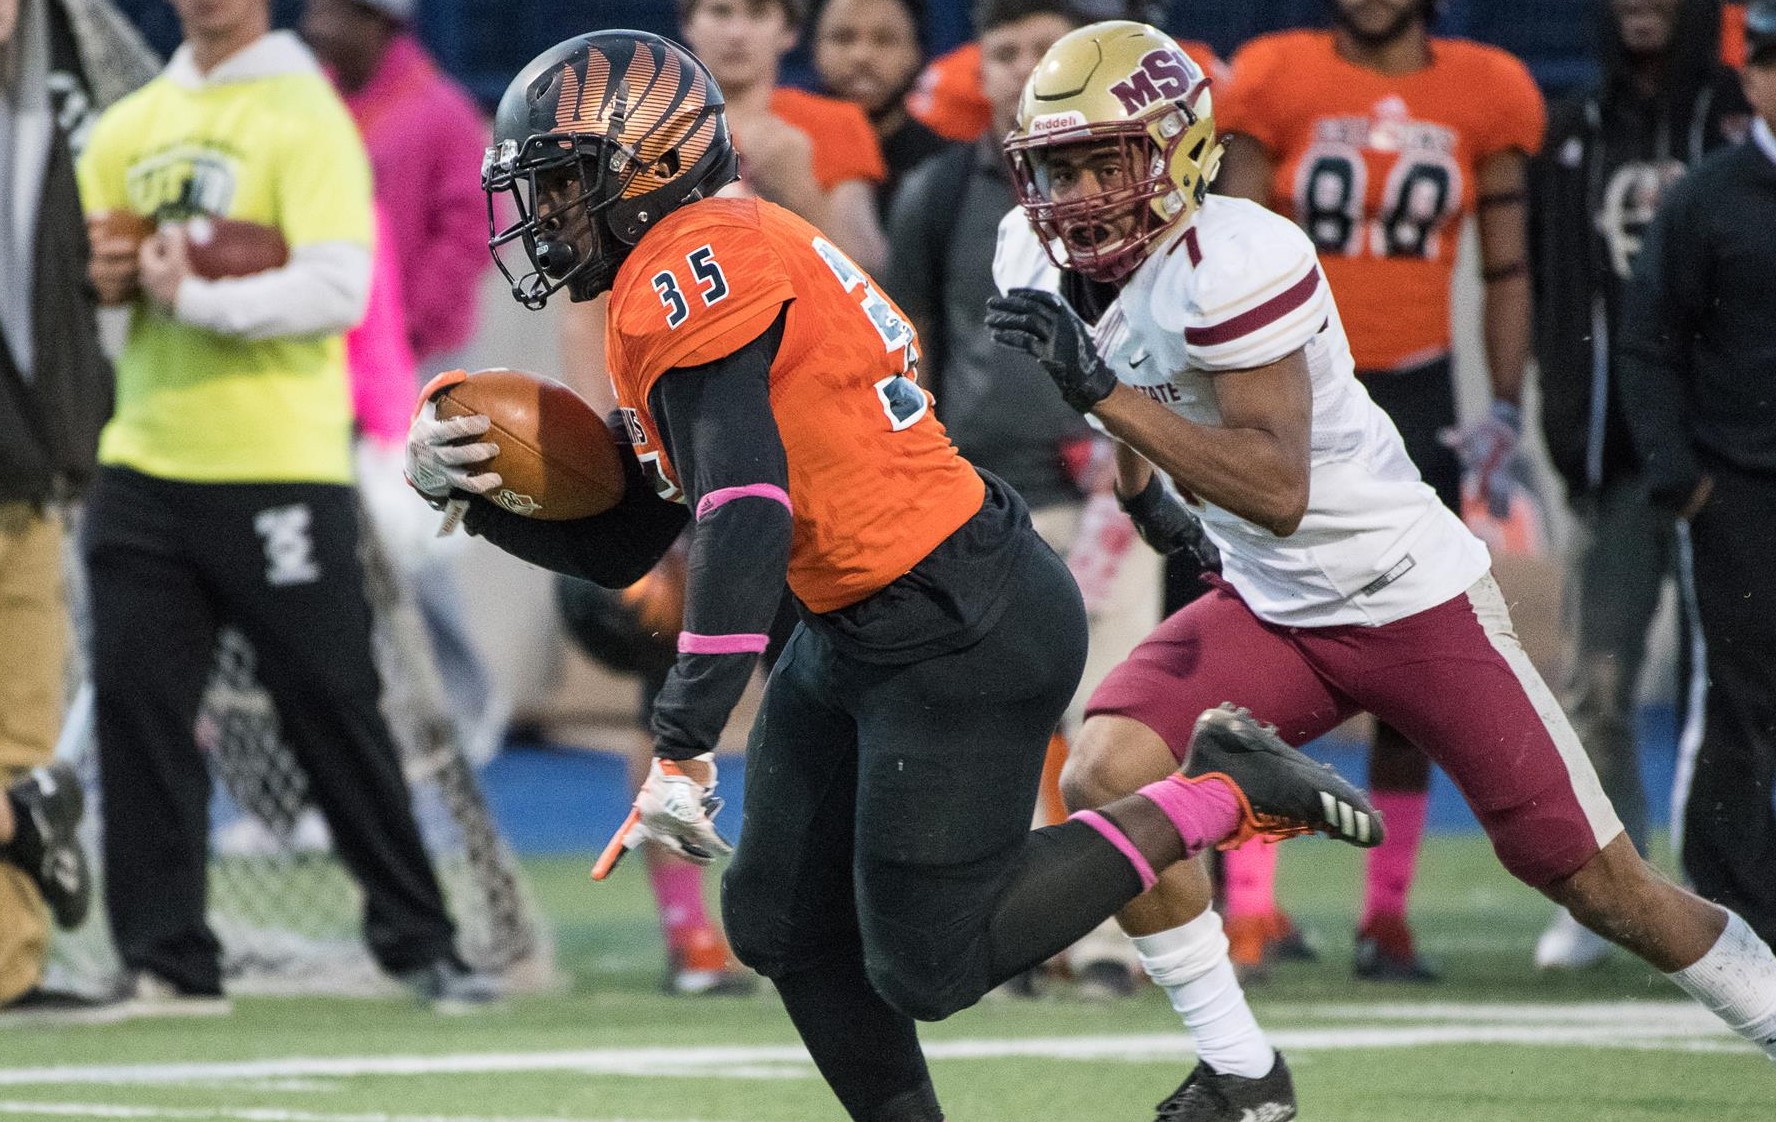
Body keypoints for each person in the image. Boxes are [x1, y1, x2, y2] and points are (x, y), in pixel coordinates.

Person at [411, 30, 1384, 1122]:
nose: (544, 216)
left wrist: (685, 739)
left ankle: (1225, 791)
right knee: (779, 922)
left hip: (958, 616)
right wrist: (480, 498)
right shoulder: (688, 258)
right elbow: (644, 533)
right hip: (870, 614)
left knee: (933, 964)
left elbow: (746, 509)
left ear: (648, 165)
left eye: (561, 185)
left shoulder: (694, 264)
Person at [984, 19, 1776, 1119]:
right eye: (1056, 165)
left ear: (1181, 152)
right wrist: (1148, 498)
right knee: (1107, 771)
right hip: (1268, 600)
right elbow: (1132, 371)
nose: (1075, 194)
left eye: (1102, 161)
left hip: (1401, 595)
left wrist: (1103, 401)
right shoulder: (1035, 255)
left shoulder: (1242, 258)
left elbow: (1277, 485)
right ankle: (1242, 1071)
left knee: (1602, 885)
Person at [75, 0, 491, 1015]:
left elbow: (339, 290)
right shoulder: (128, 127)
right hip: (142, 456)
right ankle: (168, 958)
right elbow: (92, 297)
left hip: (279, 460)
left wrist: (197, 295)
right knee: (142, 717)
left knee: (334, 704)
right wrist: (104, 280)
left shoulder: (306, 113)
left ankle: (420, 940)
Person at [1209, 0, 1547, 982]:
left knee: (1416, 656)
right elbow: (1228, 242)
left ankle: (1386, 917)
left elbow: (1509, 266)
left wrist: (1509, 404)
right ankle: (1254, 908)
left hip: (1418, 388)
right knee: (1264, 637)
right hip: (1289, 382)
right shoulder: (1276, 72)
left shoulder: (1490, 87)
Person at [887, 0, 1182, 998]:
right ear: (975, 63)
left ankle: (1112, 940)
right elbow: (915, 340)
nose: (1022, 66)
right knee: (998, 724)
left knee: (1113, 724)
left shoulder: (1126, 185)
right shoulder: (938, 192)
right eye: (1003, 49)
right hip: (985, 495)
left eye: (1041, 49)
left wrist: (1142, 464)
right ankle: (1012, 934)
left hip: (1111, 483)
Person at [1529, 0, 1750, 971]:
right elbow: (1552, 286)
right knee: (1600, 685)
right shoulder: (1571, 129)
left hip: (1732, 457)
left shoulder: (1738, 121)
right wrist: (1567, 427)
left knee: (1739, 689)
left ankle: (1721, 894)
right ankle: (1615, 898)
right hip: (1614, 456)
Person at [300, 0, 508, 768]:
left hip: (408, 366)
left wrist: (404, 332)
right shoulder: (310, 98)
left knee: (411, 543)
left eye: (334, 10)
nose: (314, 22)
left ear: (378, 21)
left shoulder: (440, 112)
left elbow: (466, 233)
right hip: (310, 356)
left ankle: (461, 711)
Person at [1617, 0, 1776, 953]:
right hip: (1742, 488)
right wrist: (1681, 472)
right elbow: (1647, 340)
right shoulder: (1707, 196)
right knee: (1741, 698)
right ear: (1751, 78)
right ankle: (1742, 916)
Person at [0, 0, 114, 1021]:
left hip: (25, 470)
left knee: (24, 724)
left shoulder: (49, 115)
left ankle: (10, 968)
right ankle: (21, 817)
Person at [681, 0, 889, 273]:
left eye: (758, 13)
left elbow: (869, 271)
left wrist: (800, 193)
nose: (737, 33)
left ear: (789, 31)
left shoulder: (834, 122)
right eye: (720, 11)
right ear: (688, 25)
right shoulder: (649, 128)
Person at [906, 0, 1222, 145]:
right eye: (1007, 56)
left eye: (1047, 49)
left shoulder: (1178, 67)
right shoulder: (956, 79)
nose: (1026, 68)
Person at [811, 0, 948, 217]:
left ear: (917, 52)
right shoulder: (782, 157)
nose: (861, 56)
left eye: (884, 40)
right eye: (843, 38)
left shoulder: (950, 173)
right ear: (814, 48)